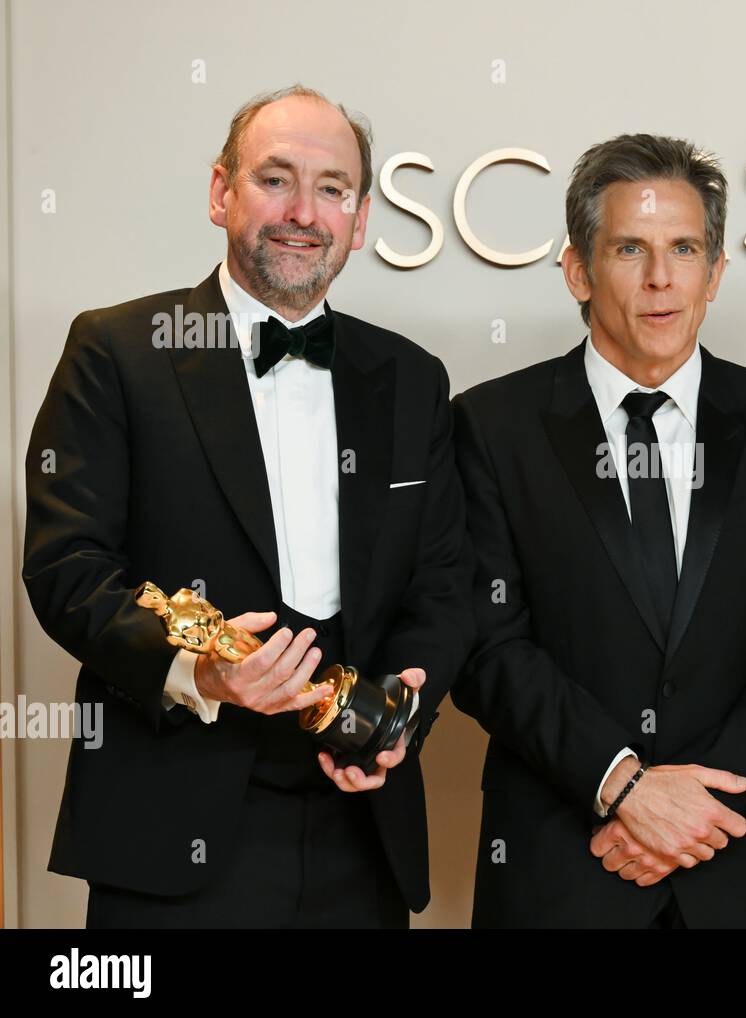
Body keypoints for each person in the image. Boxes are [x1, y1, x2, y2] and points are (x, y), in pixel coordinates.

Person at [23, 85, 474, 927]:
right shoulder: (117, 350)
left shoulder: (414, 378)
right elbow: (66, 567)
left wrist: (400, 708)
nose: (305, 211)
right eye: (276, 180)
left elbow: (445, 583)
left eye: (332, 189)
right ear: (220, 192)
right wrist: (201, 671)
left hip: (361, 822)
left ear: (362, 215)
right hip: (170, 823)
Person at [452, 133, 746, 927]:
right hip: (566, 859)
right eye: (629, 248)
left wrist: (692, 809)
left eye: (684, 248)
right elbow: (489, 646)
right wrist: (625, 786)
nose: (661, 277)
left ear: (716, 272)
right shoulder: (490, 426)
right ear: (578, 269)